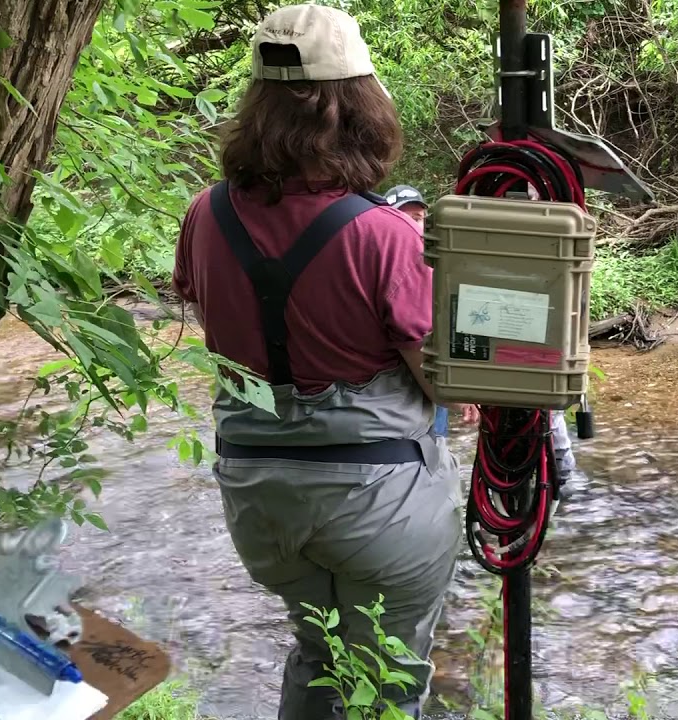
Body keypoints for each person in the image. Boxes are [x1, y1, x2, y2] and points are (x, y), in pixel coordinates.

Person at [172, 5, 468, 718]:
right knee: (388, 683)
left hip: (259, 503)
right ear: (360, 108)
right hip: (380, 504)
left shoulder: (205, 214)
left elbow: (221, 329)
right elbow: (442, 383)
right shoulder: (385, 235)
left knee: (318, 653)